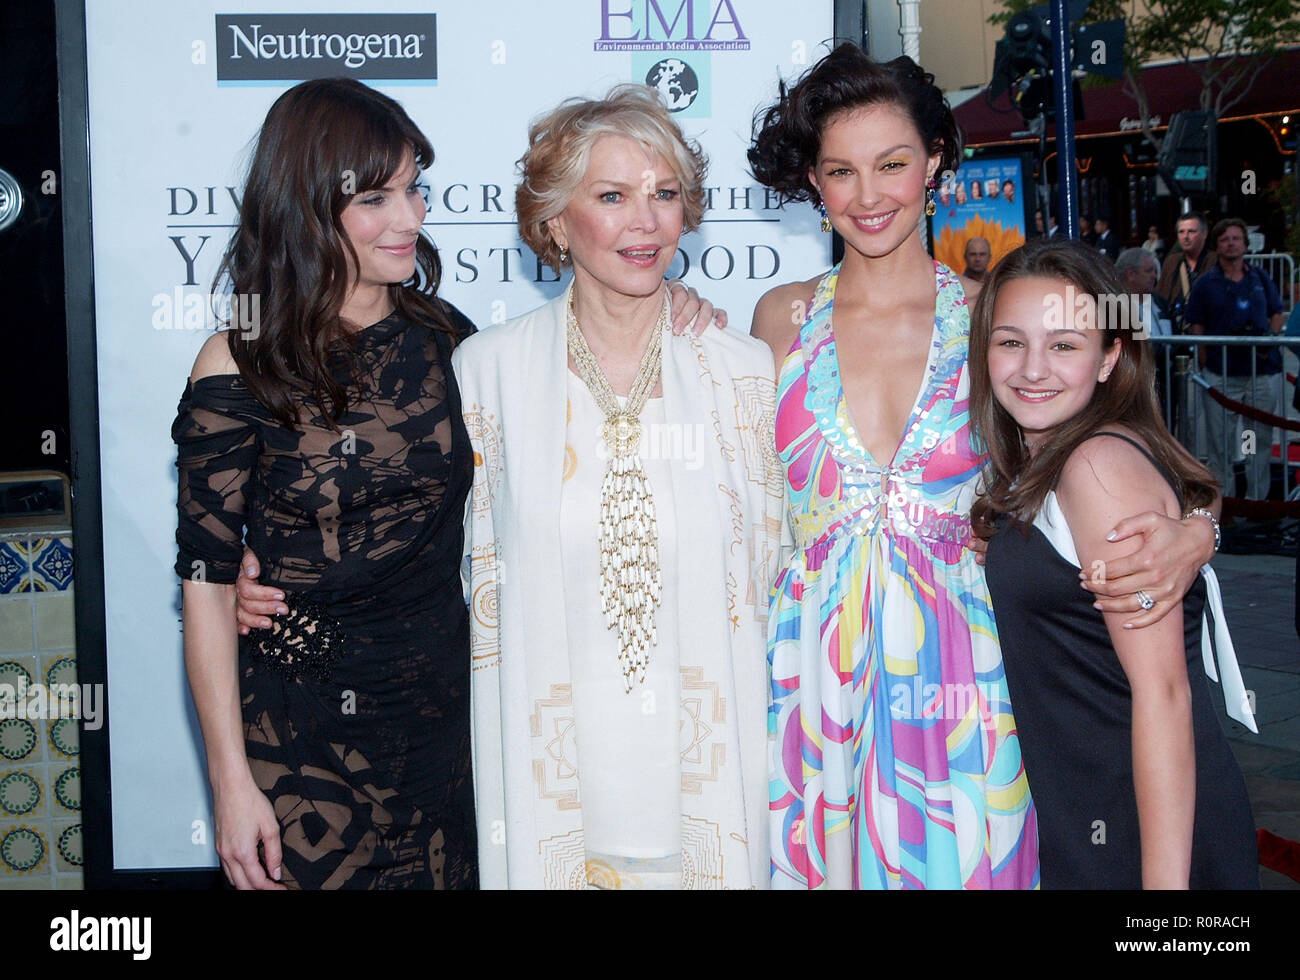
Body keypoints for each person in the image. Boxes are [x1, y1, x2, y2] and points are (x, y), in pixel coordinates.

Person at [747, 44, 1220, 890]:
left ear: (934, 162)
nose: (868, 196)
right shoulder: (777, 319)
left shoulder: (995, 318)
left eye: (892, 164)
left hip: (970, 687)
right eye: (840, 170)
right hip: (813, 687)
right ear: (813, 183)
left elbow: (1111, 443)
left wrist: (1197, 528)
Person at [451, 85, 781, 889]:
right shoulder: (485, 374)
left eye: (665, 195)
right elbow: (438, 567)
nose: (647, 220)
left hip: (710, 782)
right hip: (551, 786)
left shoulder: (741, 373)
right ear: (556, 222)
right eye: (613, 196)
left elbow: (786, 568)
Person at [173, 78, 480, 889]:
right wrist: (230, 784)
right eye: (376, 197)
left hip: (442, 729)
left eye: (414, 188)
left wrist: (675, 304)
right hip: (301, 736)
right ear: (309, 202)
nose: (410, 218)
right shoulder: (238, 361)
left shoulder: (452, 342)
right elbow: (204, 585)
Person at [970, 238, 1258, 889]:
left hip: (1135, 834)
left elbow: (1163, 693)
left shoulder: (1095, 466)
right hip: (1097, 814)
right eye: (1011, 342)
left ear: (1109, 359)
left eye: (1065, 345)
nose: (1032, 368)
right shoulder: (1057, 459)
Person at [1185, 217, 1286, 500]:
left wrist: (1269, 338)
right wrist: (1205, 362)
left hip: (1261, 372)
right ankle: (1224, 503)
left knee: (1258, 440)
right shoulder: (1206, 283)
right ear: (1217, 246)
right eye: (1225, 239)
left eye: (1236, 239)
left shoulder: (1260, 278)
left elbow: (1276, 312)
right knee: (1221, 445)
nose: (1231, 244)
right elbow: (1197, 324)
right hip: (1222, 373)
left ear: (1245, 243)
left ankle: (1257, 501)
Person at [1157, 211, 1216, 327]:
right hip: (1176, 329)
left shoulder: (1216, 261)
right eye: (1181, 232)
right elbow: (1161, 296)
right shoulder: (1171, 262)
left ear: (1204, 234)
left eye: (1191, 231)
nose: (1186, 237)